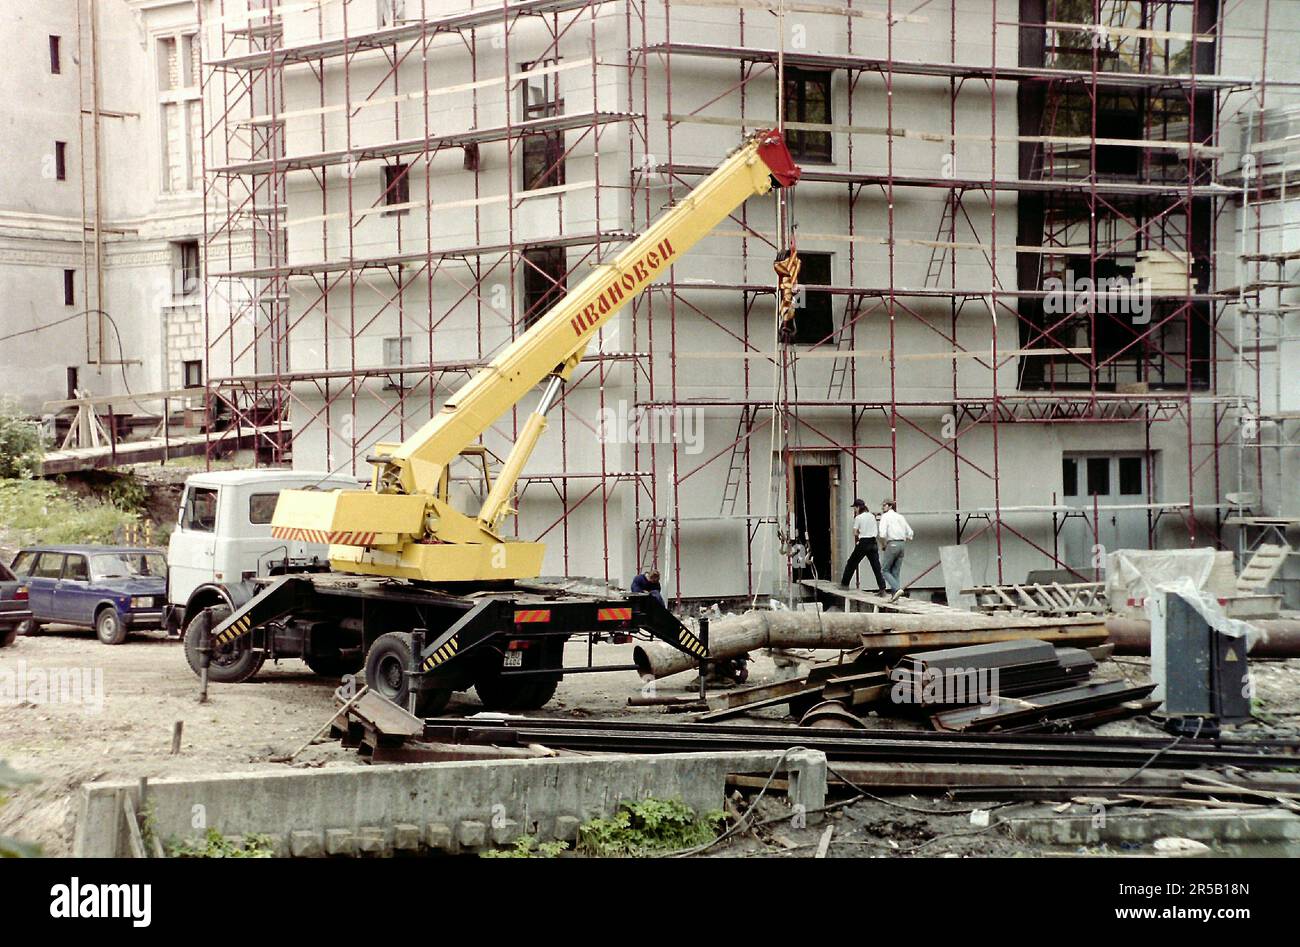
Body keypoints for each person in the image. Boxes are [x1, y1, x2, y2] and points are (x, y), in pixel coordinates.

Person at [839, 498, 885, 592]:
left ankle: (844, 584)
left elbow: (855, 532)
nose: (854, 510)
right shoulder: (872, 516)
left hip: (863, 542)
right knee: (876, 566)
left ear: (858, 507)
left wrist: (861, 531)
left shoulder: (858, 518)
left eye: (855, 508)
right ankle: (882, 589)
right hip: (873, 542)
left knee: (851, 563)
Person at [878, 498, 914, 595]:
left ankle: (897, 589)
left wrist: (883, 545)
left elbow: (882, 534)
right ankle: (895, 596)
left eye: (884, 505)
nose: (882, 507)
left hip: (892, 543)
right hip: (902, 544)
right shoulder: (900, 517)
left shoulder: (885, 517)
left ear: (890, 506)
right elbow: (910, 532)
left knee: (884, 570)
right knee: (895, 572)